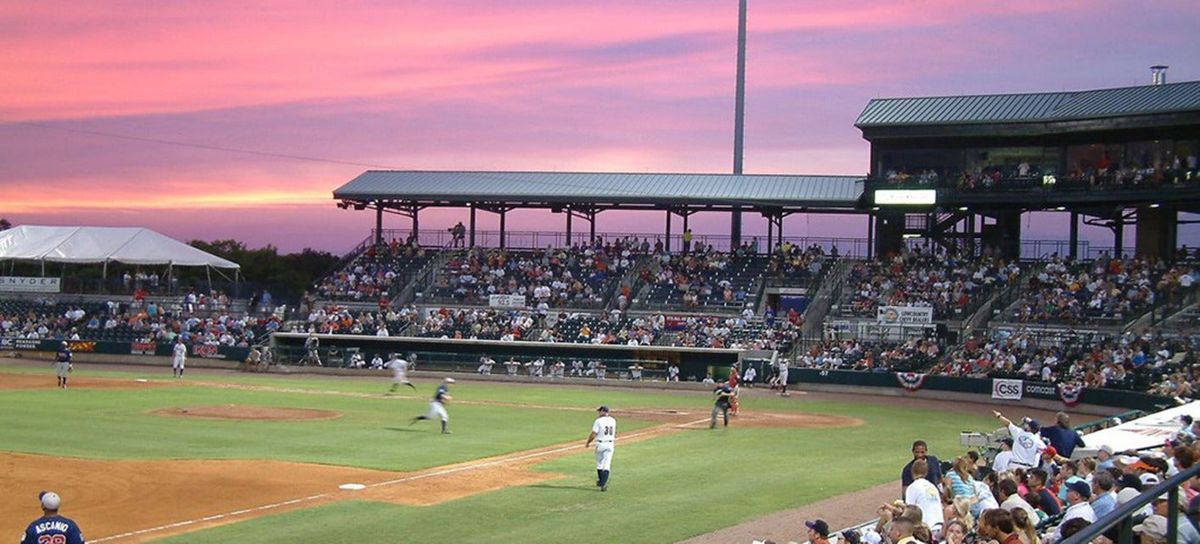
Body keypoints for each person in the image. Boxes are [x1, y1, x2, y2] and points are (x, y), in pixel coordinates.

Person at [905, 459, 945, 533]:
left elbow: (910, 511)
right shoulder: (932, 487)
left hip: (926, 529)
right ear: (926, 473)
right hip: (940, 526)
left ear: (912, 471)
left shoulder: (912, 487)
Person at [585, 405, 616, 492]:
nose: (598, 413)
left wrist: (588, 442)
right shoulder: (613, 420)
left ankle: (602, 482)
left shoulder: (598, 421)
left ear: (603, 411)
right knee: (607, 464)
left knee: (599, 463)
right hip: (610, 444)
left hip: (600, 444)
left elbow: (594, 433)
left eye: (599, 411)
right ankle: (602, 483)